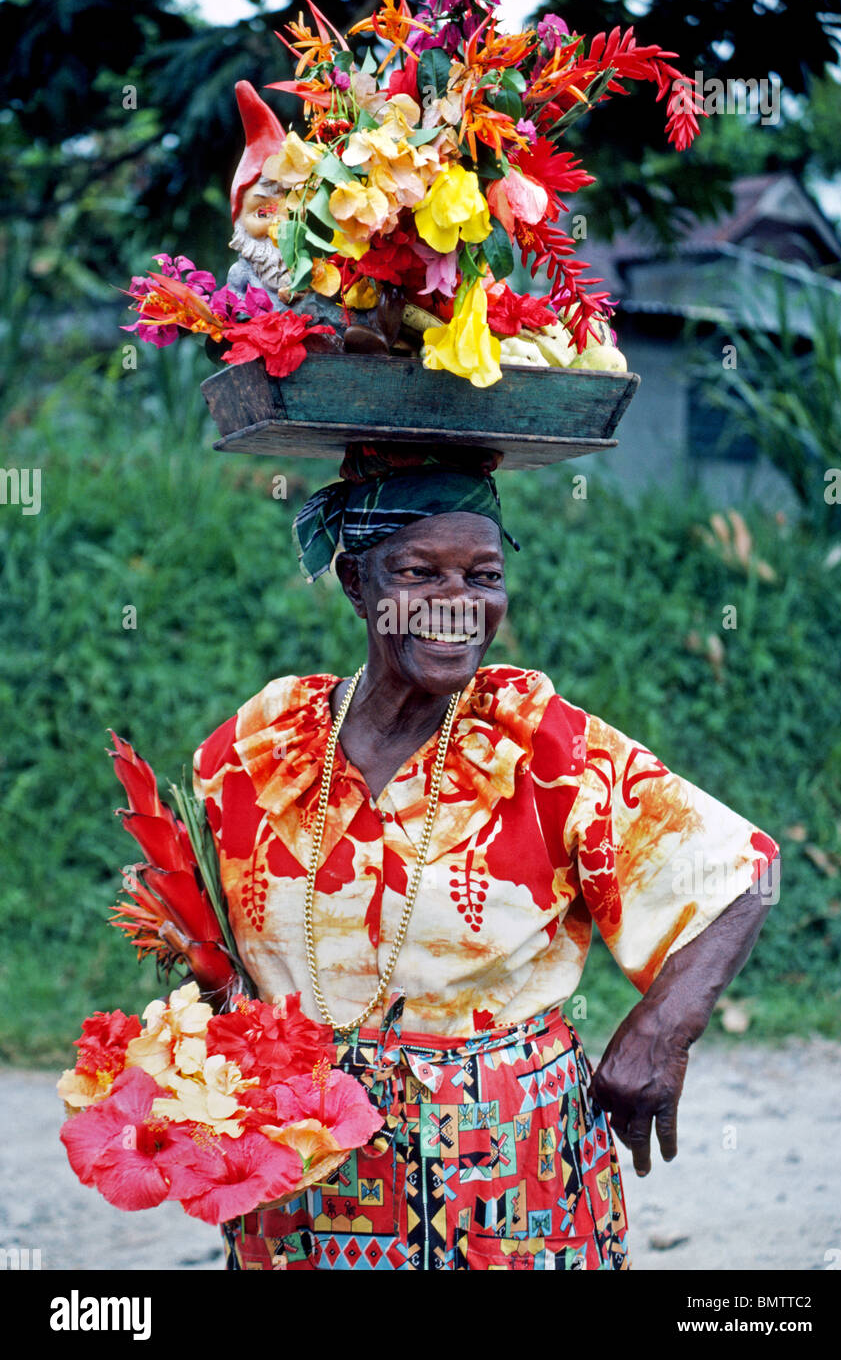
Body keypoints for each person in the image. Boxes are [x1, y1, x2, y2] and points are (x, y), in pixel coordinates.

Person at [192, 445, 779, 1271]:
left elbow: (741, 875)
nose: (457, 603)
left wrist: (661, 1031)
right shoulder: (260, 750)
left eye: (483, 576)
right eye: (420, 572)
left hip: (514, 1183)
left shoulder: (538, 745)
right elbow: (202, 938)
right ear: (357, 583)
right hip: (307, 1184)